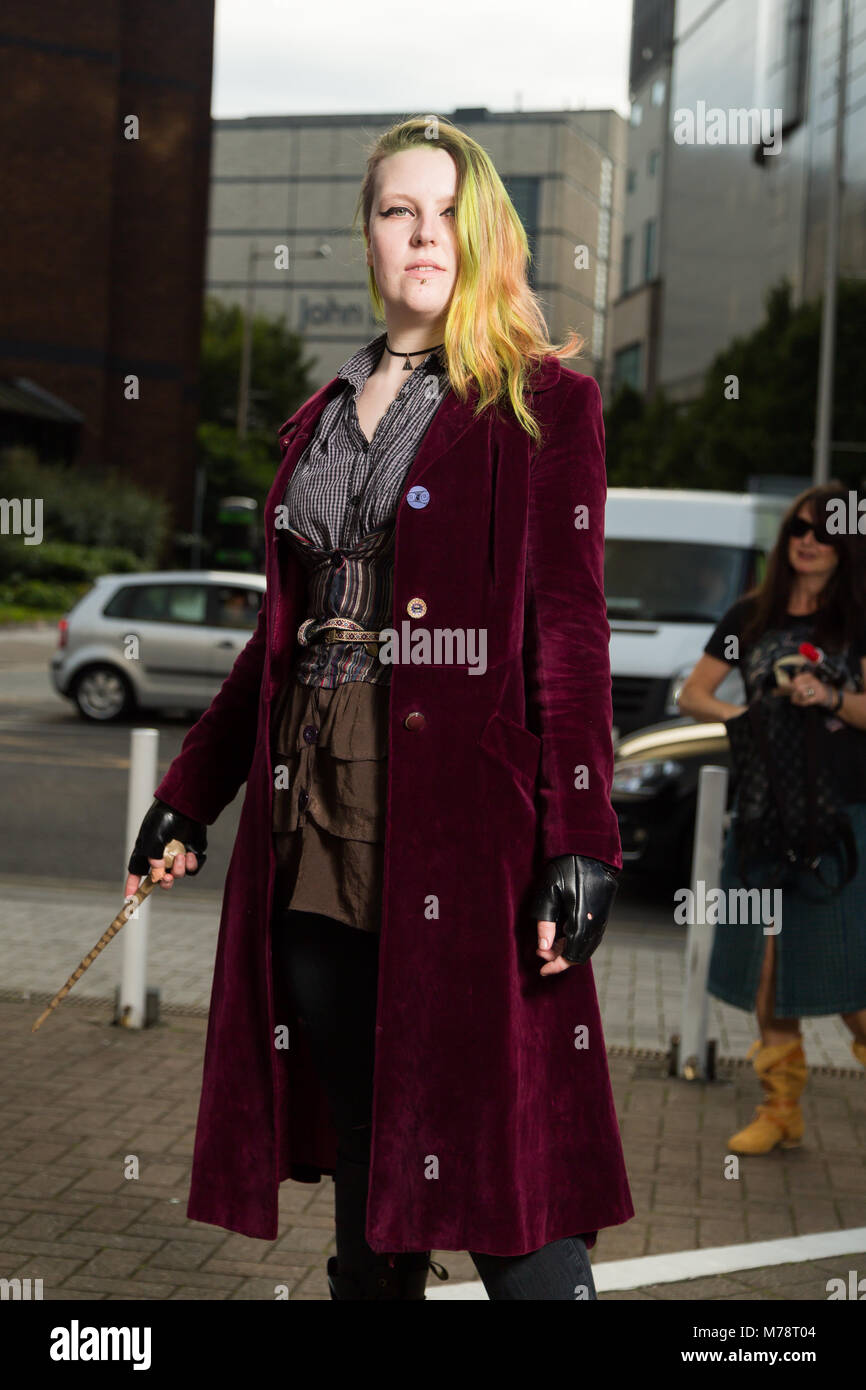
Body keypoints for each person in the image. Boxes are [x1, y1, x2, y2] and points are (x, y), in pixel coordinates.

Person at [124, 114, 632, 1300]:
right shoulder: (316, 415)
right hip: (311, 813)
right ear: (367, 235)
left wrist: (582, 837)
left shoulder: (542, 403)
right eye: (399, 209)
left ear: (484, 232)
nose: (423, 233)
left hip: (462, 827)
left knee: (494, 1160)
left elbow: (567, 632)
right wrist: (191, 795)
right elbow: (281, 638)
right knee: (365, 1141)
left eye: (448, 211)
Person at [678, 483, 866, 1154]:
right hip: (766, 813)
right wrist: (746, 718)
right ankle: (780, 1108)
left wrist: (829, 697)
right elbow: (693, 694)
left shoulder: (858, 619)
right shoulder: (749, 616)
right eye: (799, 531)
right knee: (769, 966)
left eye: (824, 533)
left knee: (846, 975)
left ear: (846, 547)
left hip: (841, 819)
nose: (808, 542)